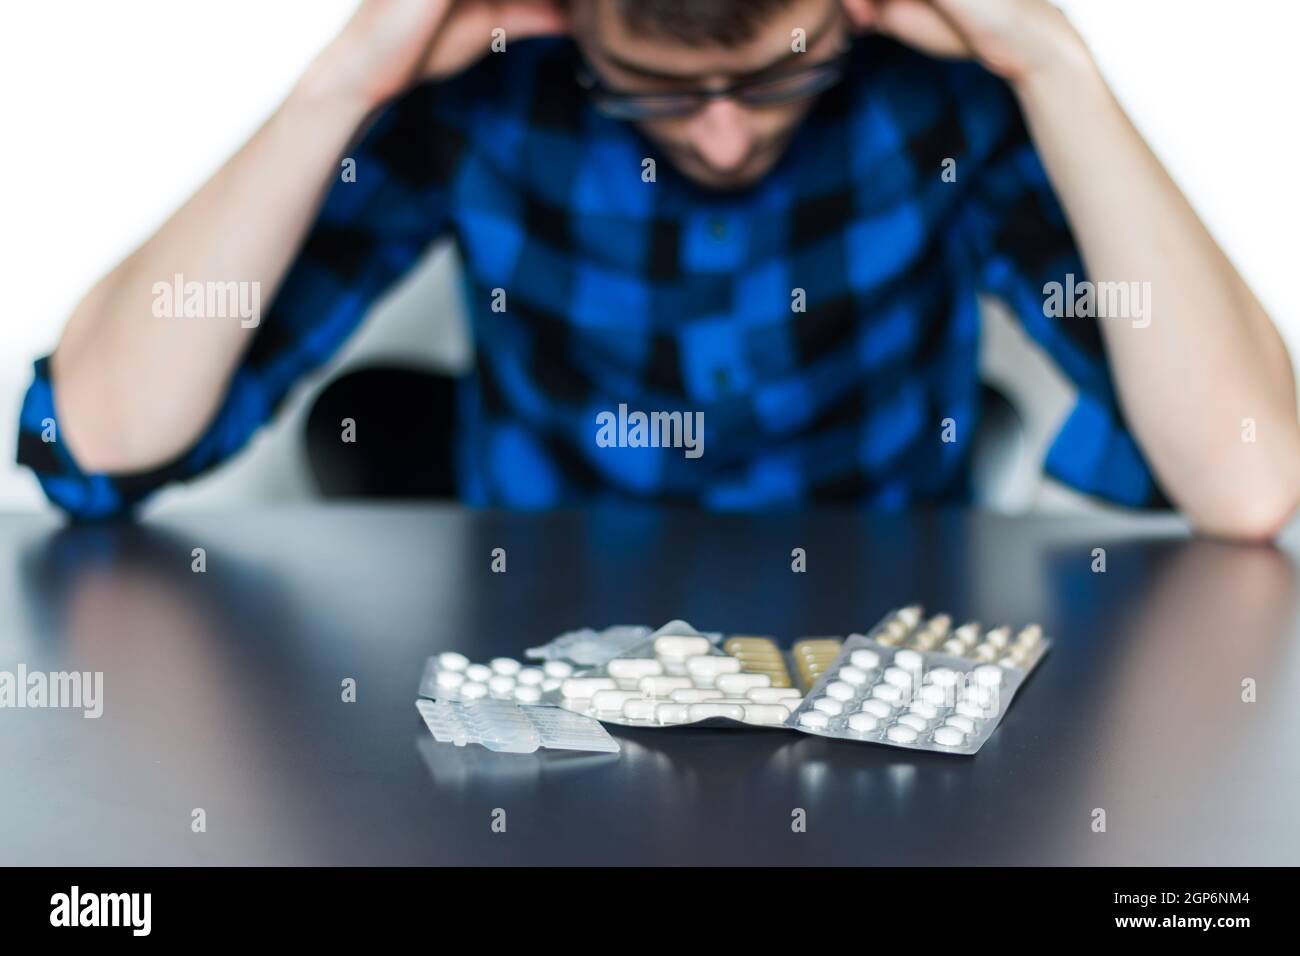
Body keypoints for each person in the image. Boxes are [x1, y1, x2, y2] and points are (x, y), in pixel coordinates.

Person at [17, 0, 1300, 538]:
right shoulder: (485, 102)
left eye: (775, 73)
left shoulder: (941, 106)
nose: (727, 135)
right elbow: (96, 440)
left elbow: (1249, 479)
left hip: (884, 662)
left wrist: (1049, 57)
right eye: (658, 94)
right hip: (539, 664)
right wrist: (341, 79)